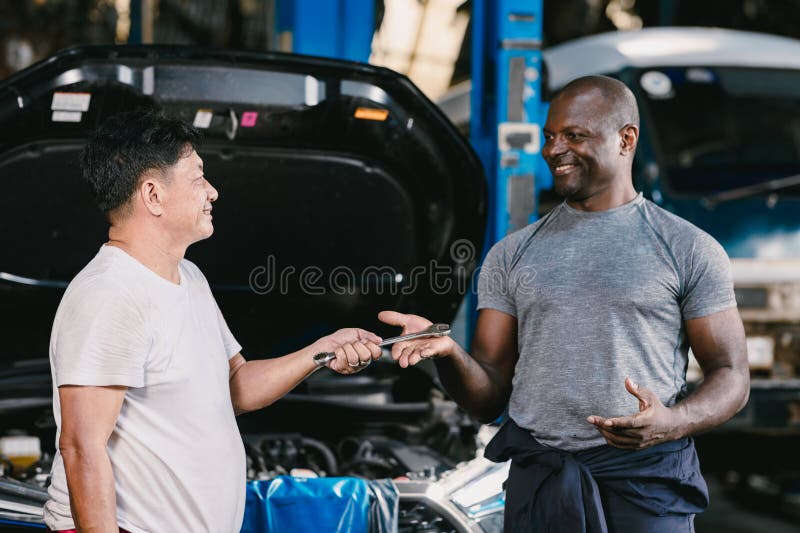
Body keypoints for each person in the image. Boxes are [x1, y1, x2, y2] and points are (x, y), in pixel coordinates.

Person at [379, 75, 749, 532]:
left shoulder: (687, 248)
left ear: (625, 140)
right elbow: (489, 396)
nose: (554, 150)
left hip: (644, 486)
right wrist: (450, 353)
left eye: (575, 135)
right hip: (542, 485)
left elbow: (731, 375)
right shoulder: (512, 253)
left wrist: (671, 421)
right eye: (550, 136)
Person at [44, 109, 382, 533]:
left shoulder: (189, 277)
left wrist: (320, 351)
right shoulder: (109, 294)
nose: (213, 192)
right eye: (198, 177)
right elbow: (81, 447)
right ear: (153, 195)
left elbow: (235, 385)